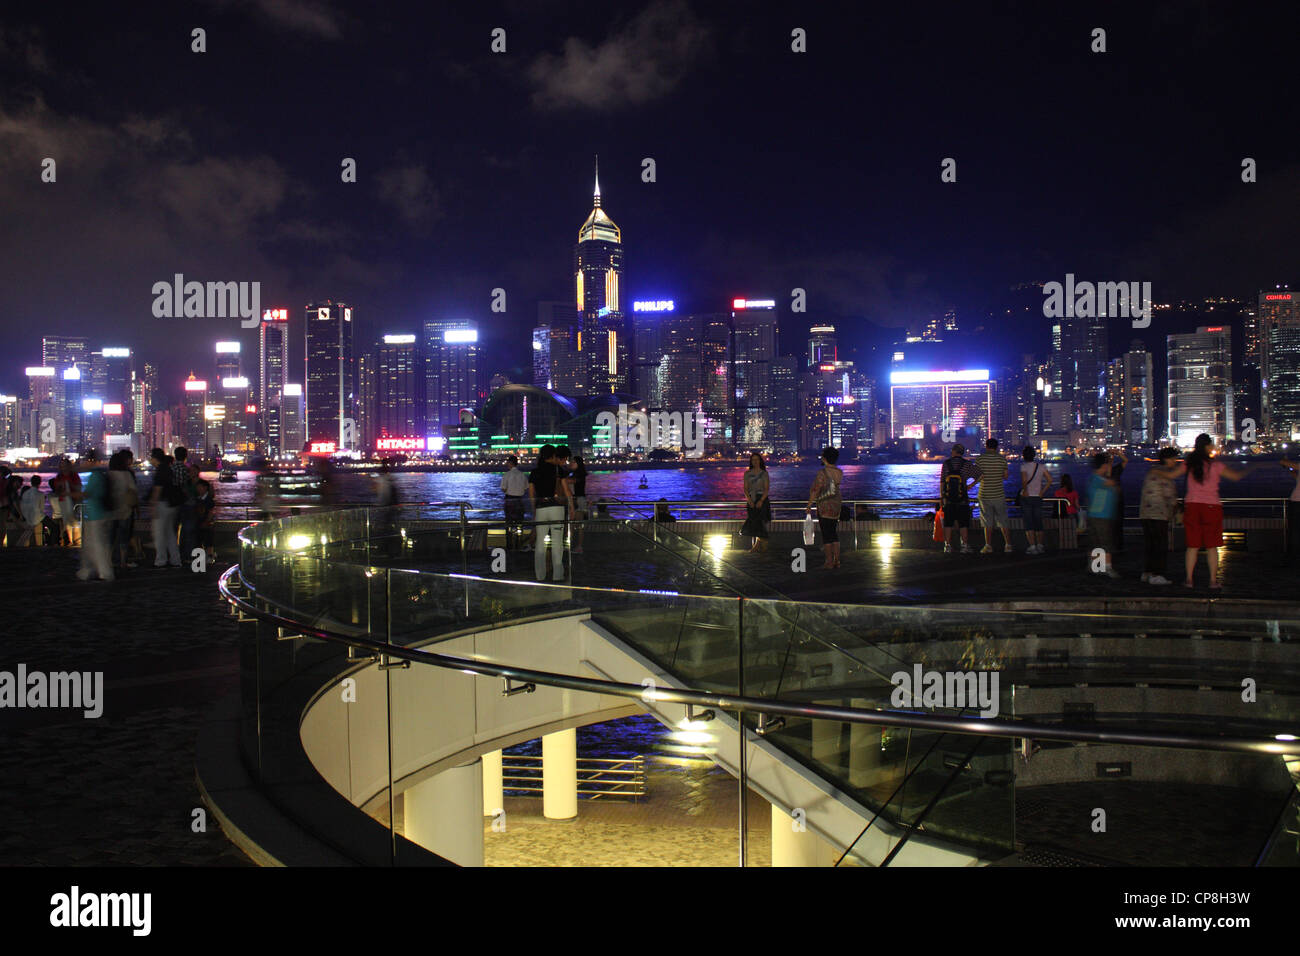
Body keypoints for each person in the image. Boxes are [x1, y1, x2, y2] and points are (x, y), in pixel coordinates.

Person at [1178, 433, 1252, 589]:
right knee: (1212, 546)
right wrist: (1250, 469)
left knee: (1192, 546)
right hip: (1212, 507)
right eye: (1211, 444)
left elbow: (1172, 474)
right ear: (1207, 446)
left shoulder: (1189, 464)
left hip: (1192, 506)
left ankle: (1189, 580)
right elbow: (1235, 476)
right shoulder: (1216, 465)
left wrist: (1157, 472)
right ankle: (1212, 581)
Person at [528, 444, 573, 583]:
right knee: (557, 542)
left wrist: (534, 510)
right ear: (553, 456)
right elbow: (566, 491)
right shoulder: (558, 470)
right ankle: (557, 575)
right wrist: (571, 507)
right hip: (557, 508)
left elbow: (531, 495)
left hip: (541, 508)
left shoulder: (534, 472)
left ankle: (539, 575)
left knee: (540, 542)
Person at [1138, 447, 1183, 585]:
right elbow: (1170, 495)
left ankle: (1147, 572)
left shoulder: (1151, 471)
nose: (1175, 461)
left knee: (1150, 545)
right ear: (1167, 459)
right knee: (1160, 545)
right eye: (1174, 459)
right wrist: (1178, 510)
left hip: (1145, 513)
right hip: (1159, 514)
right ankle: (1158, 575)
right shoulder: (1165, 474)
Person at [73, 450, 114, 581]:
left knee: (96, 545)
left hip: (95, 514)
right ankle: (89, 570)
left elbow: (88, 494)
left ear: (90, 461)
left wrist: (70, 493)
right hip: (98, 513)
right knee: (93, 544)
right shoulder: (101, 474)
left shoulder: (95, 476)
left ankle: (104, 572)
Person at [939, 443, 981, 553]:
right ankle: (965, 546)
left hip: (948, 499)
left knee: (948, 523)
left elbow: (942, 481)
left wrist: (942, 497)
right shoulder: (966, 464)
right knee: (963, 524)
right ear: (962, 453)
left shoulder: (946, 464)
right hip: (962, 498)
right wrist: (971, 485)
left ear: (953, 451)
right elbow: (980, 474)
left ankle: (947, 546)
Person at [807, 447, 844, 569]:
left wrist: (809, 504)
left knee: (826, 534)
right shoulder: (839, 472)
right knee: (833, 532)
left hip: (824, 504)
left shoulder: (822, 473)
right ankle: (837, 561)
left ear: (825, 458)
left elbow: (816, 489)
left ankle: (828, 561)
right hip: (836, 503)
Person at [1086, 451, 1120, 578]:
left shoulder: (1092, 479)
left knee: (1095, 542)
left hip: (1094, 515)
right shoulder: (1099, 480)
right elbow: (1113, 484)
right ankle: (1107, 567)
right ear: (1103, 466)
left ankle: (1095, 566)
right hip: (1102, 516)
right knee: (1105, 543)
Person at [975, 438, 1013, 554]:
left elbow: (977, 476)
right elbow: (1006, 476)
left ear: (986, 446)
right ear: (996, 447)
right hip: (999, 494)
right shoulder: (1002, 459)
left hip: (984, 494)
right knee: (1003, 520)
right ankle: (1008, 545)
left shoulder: (980, 459)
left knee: (987, 521)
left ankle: (988, 545)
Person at [149, 447, 182, 568]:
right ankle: (175, 559)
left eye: (151, 457)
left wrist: (153, 505)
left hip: (162, 504)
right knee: (170, 534)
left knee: (159, 534)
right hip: (171, 505)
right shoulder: (168, 469)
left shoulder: (160, 470)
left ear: (154, 458)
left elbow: (158, 489)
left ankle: (160, 560)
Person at [1019, 446, 1053, 554]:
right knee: (1038, 522)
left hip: (1027, 498)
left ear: (1024, 456)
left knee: (1029, 522)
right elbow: (1050, 480)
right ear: (1034, 455)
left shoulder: (1023, 467)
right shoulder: (1041, 466)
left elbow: (1024, 481)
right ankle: (1040, 545)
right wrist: (1042, 492)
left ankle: (1032, 547)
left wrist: (1025, 491)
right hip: (1038, 497)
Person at [107, 450, 138, 568]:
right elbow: (133, 491)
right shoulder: (127, 475)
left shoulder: (109, 475)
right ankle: (123, 561)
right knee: (124, 537)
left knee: (111, 537)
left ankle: (109, 560)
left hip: (111, 510)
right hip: (125, 510)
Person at [172, 446, 199, 563]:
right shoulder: (185, 469)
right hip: (186, 503)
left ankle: (174, 555)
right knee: (187, 530)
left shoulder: (171, 468)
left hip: (173, 503)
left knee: (173, 530)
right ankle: (186, 555)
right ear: (186, 456)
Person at [742, 452, 771, 553]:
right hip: (751, 499)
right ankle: (759, 546)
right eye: (753, 460)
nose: (755, 461)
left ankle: (760, 546)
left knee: (761, 522)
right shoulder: (747, 473)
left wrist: (761, 500)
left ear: (760, 461)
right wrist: (749, 500)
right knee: (754, 522)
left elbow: (766, 489)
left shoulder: (764, 473)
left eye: (757, 459)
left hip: (762, 499)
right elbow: (745, 489)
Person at [500, 454, 529, 550]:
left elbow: (503, 488)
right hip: (520, 500)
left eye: (508, 462)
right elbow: (525, 488)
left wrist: (510, 490)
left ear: (510, 463)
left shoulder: (507, 475)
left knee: (508, 523)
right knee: (519, 523)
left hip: (509, 499)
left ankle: (509, 544)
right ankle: (518, 543)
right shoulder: (522, 475)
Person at [50, 458, 82, 546]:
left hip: (73, 500)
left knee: (74, 520)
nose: (63, 467)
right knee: (67, 521)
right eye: (61, 465)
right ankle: (71, 540)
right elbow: (56, 490)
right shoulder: (59, 477)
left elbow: (78, 487)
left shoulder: (74, 475)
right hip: (63, 500)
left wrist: (69, 485)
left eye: (64, 465)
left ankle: (77, 540)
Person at [15, 475, 46, 546]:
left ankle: (23, 545)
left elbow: (23, 506)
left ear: (31, 482)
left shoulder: (25, 493)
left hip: (25, 516)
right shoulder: (40, 494)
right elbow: (41, 509)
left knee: (28, 531)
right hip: (34, 518)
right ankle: (45, 544)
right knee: (51, 525)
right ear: (40, 483)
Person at [567, 455, 589, 554]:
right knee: (576, 525)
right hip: (579, 500)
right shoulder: (577, 474)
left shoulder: (579, 475)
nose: (571, 463)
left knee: (575, 525)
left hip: (578, 500)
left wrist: (561, 479)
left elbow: (571, 482)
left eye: (573, 462)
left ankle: (576, 546)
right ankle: (575, 546)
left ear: (578, 464)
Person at [1110, 448, 1129, 553]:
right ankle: (1118, 544)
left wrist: (1115, 453)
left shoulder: (1107, 473)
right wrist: (1117, 453)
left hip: (1112, 500)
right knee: (1118, 524)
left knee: (1113, 524)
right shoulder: (1116, 470)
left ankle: (1115, 544)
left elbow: (1125, 461)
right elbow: (1125, 461)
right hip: (1117, 499)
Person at [194, 479, 216, 566]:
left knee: (208, 541)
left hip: (207, 524)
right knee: (200, 540)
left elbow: (211, 511)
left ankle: (209, 558)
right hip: (200, 522)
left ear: (205, 488)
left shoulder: (208, 499)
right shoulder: (199, 498)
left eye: (199, 487)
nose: (198, 489)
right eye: (197, 487)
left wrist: (207, 521)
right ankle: (202, 559)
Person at [1283, 457, 1300, 565]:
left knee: (1295, 530)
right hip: (1296, 500)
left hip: (1297, 501)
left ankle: (1294, 556)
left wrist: (1284, 459)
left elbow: (1284, 462)